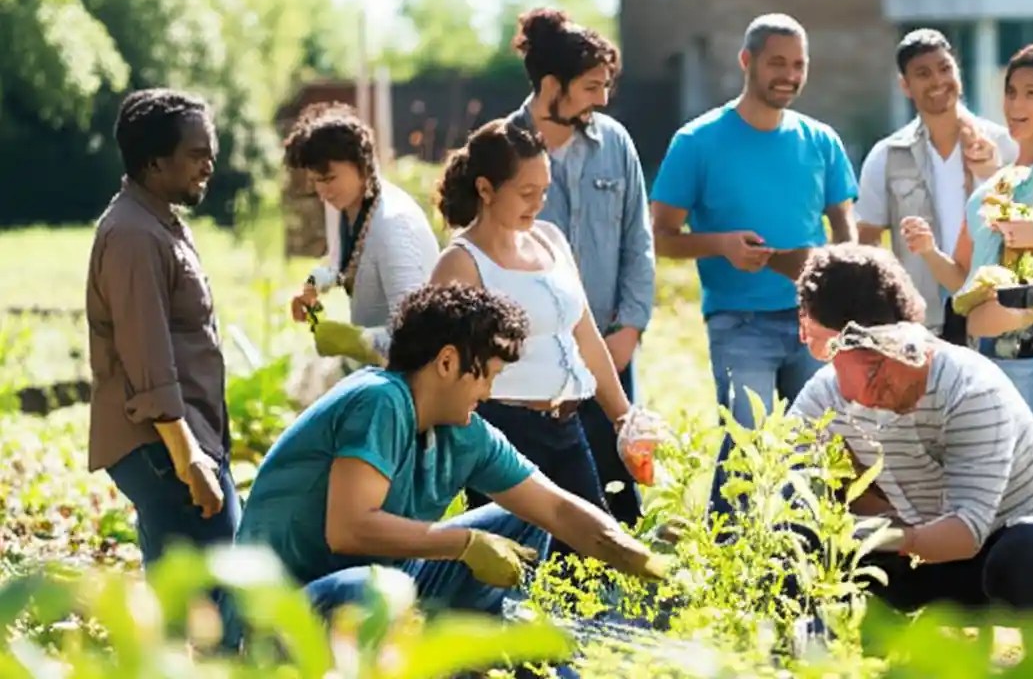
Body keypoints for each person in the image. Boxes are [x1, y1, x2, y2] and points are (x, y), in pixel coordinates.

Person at [236, 283, 669, 617]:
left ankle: (475, 658)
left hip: (379, 588)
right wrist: (464, 543)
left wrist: (643, 558)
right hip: (284, 608)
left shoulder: (464, 432)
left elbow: (555, 510)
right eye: (486, 375)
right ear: (446, 363)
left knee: (521, 517)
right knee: (372, 589)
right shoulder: (380, 401)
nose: (489, 391)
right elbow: (348, 529)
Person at [787, 243, 1033, 630]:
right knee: (815, 539)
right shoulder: (824, 397)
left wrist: (879, 535)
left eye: (881, 369)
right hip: (929, 546)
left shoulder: (970, 388)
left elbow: (966, 531)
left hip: (1008, 535)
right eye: (862, 372)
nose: (873, 393)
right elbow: (781, 468)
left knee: (1029, 560)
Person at [648, 13, 857, 517]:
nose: (788, 74)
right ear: (747, 62)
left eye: (798, 64)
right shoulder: (696, 142)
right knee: (749, 442)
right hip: (738, 323)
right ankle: (728, 557)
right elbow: (659, 238)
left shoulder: (821, 141)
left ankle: (800, 558)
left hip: (813, 322)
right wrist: (722, 245)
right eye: (777, 62)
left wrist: (835, 283)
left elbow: (845, 233)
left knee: (819, 446)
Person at [428, 119, 656, 557]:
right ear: (486, 189)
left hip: (569, 427)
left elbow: (586, 337)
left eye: (544, 190)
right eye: (526, 193)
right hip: (504, 435)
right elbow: (436, 369)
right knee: (522, 568)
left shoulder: (550, 240)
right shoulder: (460, 265)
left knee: (592, 561)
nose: (539, 203)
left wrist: (624, 419)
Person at [896, 42, 1033, 475]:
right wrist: (928, 251)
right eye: (1010, 92)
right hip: (981, 354)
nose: (1015, 104)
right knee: (1000, 489)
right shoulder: (996, 184)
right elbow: (963, 281)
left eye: (1031, 93)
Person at [86, 88, 238, 640]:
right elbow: (147, 360)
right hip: (166, 449)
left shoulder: (159, 222)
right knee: (222, 613)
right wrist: (190, 460)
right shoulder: (132, 235)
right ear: (154, 162)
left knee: (181, 617)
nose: (209, 165)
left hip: (184, 442)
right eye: (197, 154)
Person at [505, 7, 656, 527]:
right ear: (553, 86)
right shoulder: (501, 150)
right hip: (533, 354)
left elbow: (639, 239)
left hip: (611, 343)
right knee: (543, 486)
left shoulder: (615, 143)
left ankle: (626, 585)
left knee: (621, 473)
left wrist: (630, 328)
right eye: (592, 87)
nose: (603, 99)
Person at [855, 29, 1019, 335]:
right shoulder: (887, 156)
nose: (937, 81)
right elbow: (867, 241)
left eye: (945, 68)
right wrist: (885, 309)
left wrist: (989, 171)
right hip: (923, 321)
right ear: (905, 85)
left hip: (993, 312)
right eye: (923, 73)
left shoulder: (1003, 144)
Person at [285, 102, 441, 366]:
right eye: (316, 182)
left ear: (363, 165)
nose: (323, 193)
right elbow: (342, 263)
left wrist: (352, 341)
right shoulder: (347, 205)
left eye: (329, 179)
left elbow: (418, 336)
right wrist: (313, 284)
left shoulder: (393, 225)